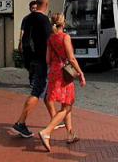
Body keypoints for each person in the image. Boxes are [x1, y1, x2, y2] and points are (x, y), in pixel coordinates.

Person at [36, 12, 85, 151]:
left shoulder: (51, 38)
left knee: (66, 103)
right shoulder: (65, 37)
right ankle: (46, 132)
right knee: (67, 106)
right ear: (63, 23)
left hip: (54, 72)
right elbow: (71, 58)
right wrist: (80, 73)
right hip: (64, 74)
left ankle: (70, 134)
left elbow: (47, 59)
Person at [11, 0, 52, 138]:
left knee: (46, 91)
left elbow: (24, 37)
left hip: (31, 59)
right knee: (37, 91)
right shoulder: (44, 20)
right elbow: (50, 42)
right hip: (42, 60)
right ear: (46, 4)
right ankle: (20, 123)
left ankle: (55, 119)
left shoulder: (28, 19)